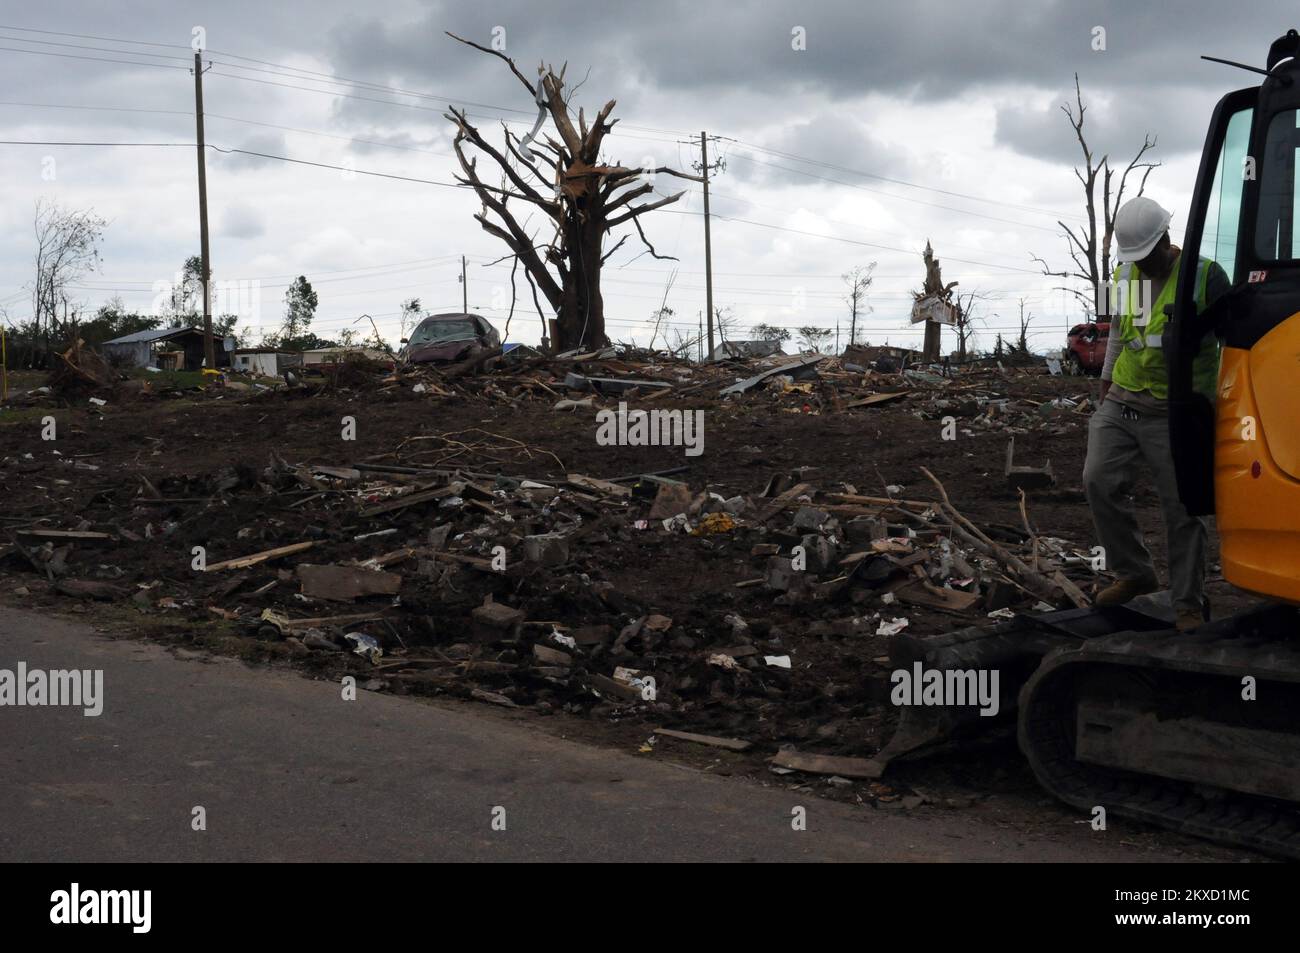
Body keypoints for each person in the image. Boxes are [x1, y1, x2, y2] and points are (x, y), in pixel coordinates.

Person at [1082, 196, 1228, 630]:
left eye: (1146, 256)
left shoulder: (1206, 276)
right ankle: (1135, 572)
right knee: (1097, 480)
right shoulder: (1124, 274)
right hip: (1125, 397)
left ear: (1166, 240)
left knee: (1184, 506)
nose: (1140, 266)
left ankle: (1187, 601)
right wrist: (1106, 382)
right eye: (1134, 259)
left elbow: (1232, 344)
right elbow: (1123, 336)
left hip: (1177, 408)